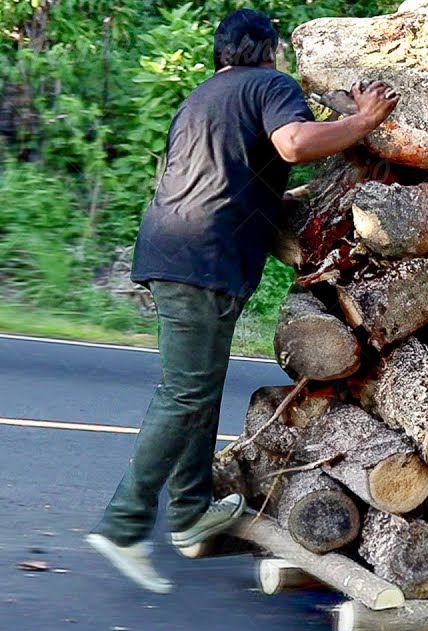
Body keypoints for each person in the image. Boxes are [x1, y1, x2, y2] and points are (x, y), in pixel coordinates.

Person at [86, 9, 400, 593]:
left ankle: (188, 511)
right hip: (203, 260)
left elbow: (238, 178)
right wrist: (362, 122)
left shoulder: (204, 97)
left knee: (198, 388)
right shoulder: (269, 85)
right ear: (268, 50)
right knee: (183, 392)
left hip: (179, 252)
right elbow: (295, 142)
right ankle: (124, 521)